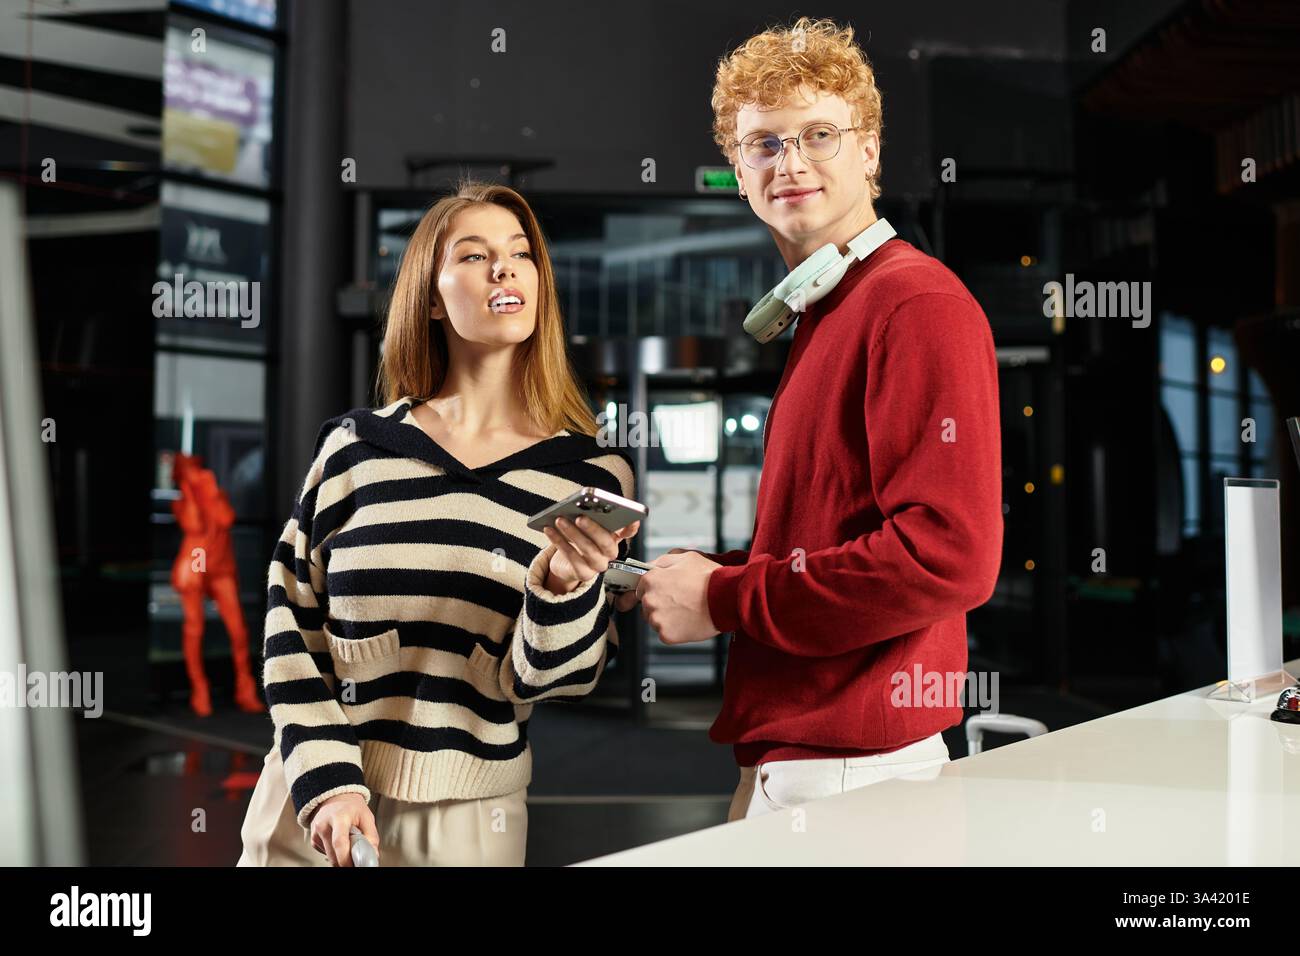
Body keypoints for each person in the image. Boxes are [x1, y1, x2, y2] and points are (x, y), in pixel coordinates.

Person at [632, 16, 1003, 821]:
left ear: (869, 150)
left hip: (854, 777)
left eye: (819, 135)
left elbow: (949, 558)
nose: (789, 162)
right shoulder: (829, 311)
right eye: (763, 144)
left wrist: (729, 599)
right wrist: (708, 573)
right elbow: (836, 538)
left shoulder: (915, 304)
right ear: (737, 168)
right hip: (803, 766)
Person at [237, 181, 639, 866]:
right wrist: (329, 782)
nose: (505, 269)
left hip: (467, 824)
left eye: (520, 254)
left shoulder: (590, 477)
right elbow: (291, 624)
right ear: (430, 296)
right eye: (475, 256)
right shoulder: (356, 450)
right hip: (315, 804)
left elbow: (564, 679)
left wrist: (566, 590)